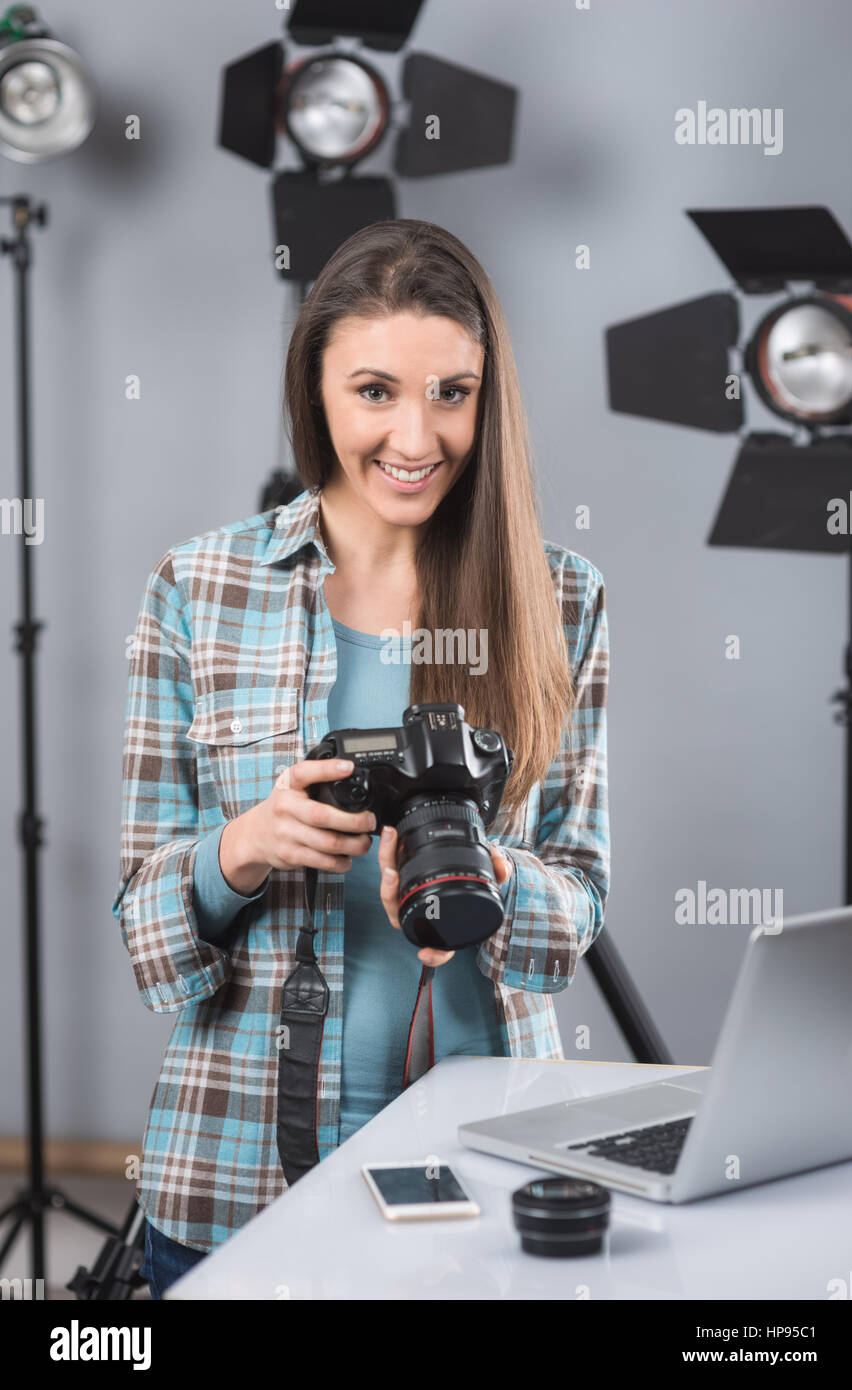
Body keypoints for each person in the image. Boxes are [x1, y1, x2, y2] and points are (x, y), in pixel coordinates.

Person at [113, 218, 610, 1299]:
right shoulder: (200, 588)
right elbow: (143, 934)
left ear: (489, 397)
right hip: (238, 1166)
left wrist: (485, 876)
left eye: (452, 393)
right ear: (318, 393)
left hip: (487, 1162)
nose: (416, 435)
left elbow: (580, 905)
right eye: (375, 392)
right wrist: (243, 849)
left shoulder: (561, 597)